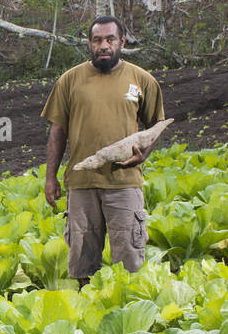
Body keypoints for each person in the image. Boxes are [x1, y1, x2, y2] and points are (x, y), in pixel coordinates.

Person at [42, 15, 165, 283]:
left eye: (110, 39)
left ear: (122, 41)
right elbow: (58, 131)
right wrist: (51, 177)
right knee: (82, 260)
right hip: (82, 184)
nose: (103, 46)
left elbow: (156, 125)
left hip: (124, 183)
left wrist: (143, 154)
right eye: (97, 40)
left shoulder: (141, 79)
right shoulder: (70, 81)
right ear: (89, 43)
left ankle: (129, 310)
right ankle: (87, 310)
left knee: (130, 259)